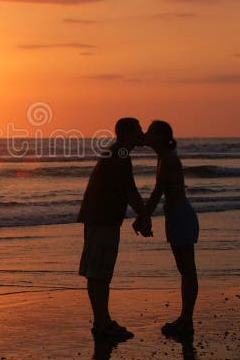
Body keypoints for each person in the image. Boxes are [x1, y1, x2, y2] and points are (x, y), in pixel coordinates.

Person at [78, 117, 152, 342]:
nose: (142, 134)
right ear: (128, 133)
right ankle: (103, 323)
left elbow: (126, 189)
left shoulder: (115, 152)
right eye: (139, 130)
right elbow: (130, 190)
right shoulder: (120, 155)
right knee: (100, 272)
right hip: (104, 219)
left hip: (97, 216)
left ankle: (102, 321)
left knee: (96, 271)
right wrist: (144, 215)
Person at [144, 120, 199, 338]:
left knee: (187, 270)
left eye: (150, 133)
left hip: (180, 216)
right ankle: (185, 319)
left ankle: (187, 320)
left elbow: (158, 191)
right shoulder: (164, 157)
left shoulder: (168, 160)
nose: (146, 136)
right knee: (184, 269)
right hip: (176, 215)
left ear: (160, 136)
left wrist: (144, 216)